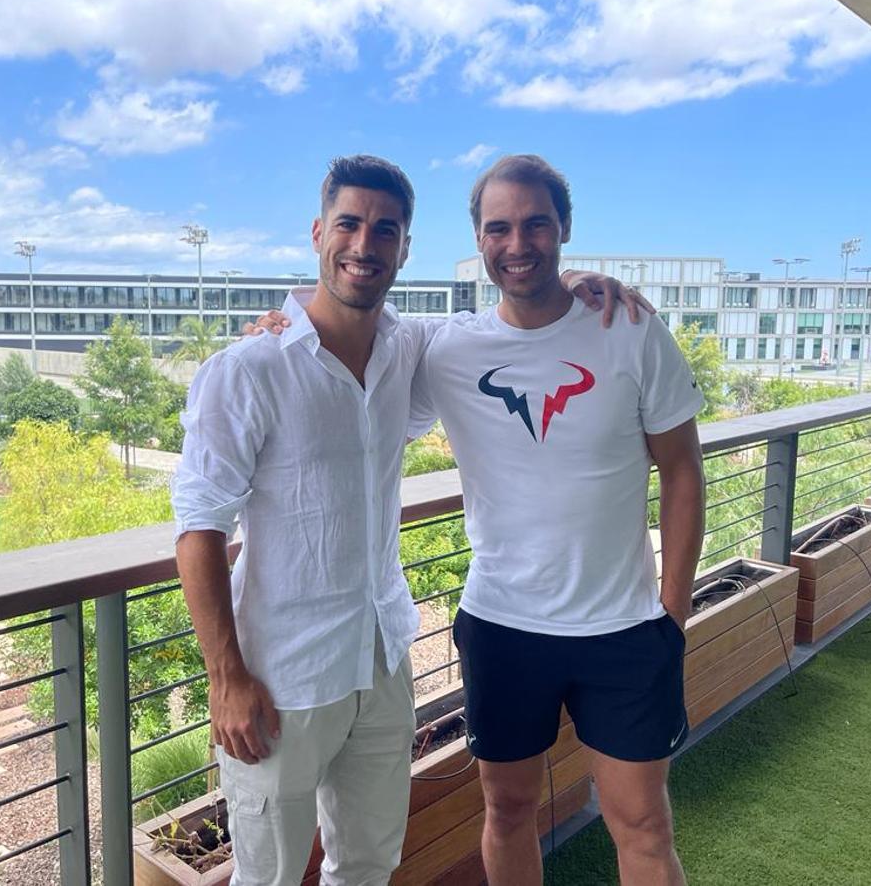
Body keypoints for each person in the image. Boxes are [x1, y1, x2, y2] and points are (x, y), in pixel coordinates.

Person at [172, 154, 647, 886]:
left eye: (384, 229)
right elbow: (199, 525)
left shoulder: (409, 351)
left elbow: (513, 316)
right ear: (318, 233)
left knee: (366, 865)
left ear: (404, 248)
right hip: (280, 679)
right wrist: (226, 676)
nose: (365, 245)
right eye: (350, 224)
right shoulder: (250, 369)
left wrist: (577, 282)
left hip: (381, 660)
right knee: (265, 877)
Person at [409, 154, 705, 886]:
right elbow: (344, 331)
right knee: (507, 812)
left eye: (536, 223)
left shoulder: (630, 328)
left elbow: (683, 471)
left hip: (625, 629)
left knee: (642, 824)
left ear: (564, 228)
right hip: (504, 625)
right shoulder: (447, 350)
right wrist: (282, 317)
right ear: (477, 241)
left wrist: (672, 609)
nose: (519, 244)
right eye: (499, 228)